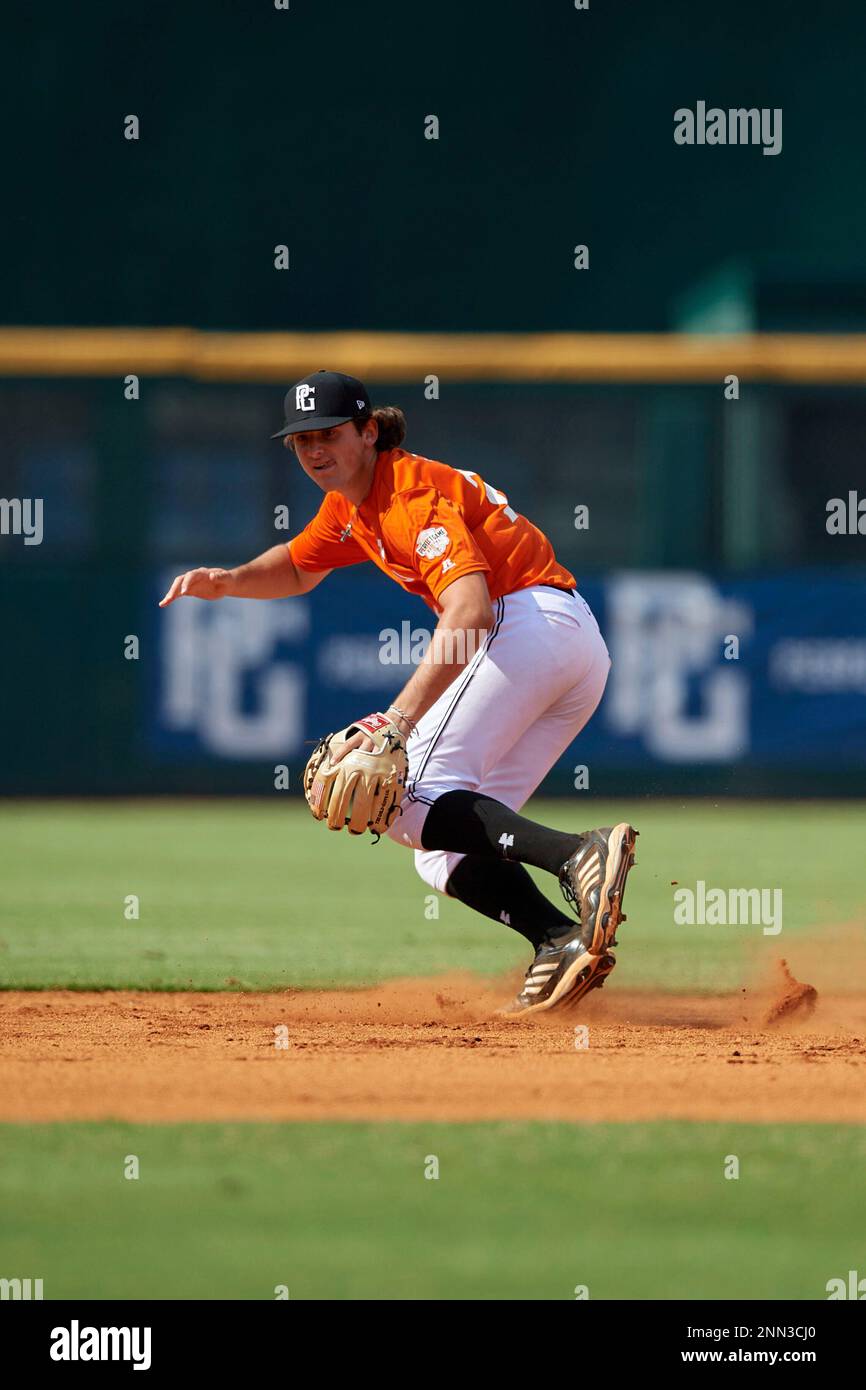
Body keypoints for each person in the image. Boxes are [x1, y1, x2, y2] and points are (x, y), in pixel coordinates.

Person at [160, 370, 638, 1015]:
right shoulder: (351, 505)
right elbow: (300, 566)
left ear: (368, 431)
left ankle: (579, 854)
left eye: (327, 434)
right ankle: (557, 940)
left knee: (407, 798)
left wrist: (398, 722)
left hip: (527, 623)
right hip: (570, 645)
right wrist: (228, 581)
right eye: (300, 441)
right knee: (439, 847)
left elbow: (467, 613)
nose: (313, 450)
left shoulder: (410, 496)